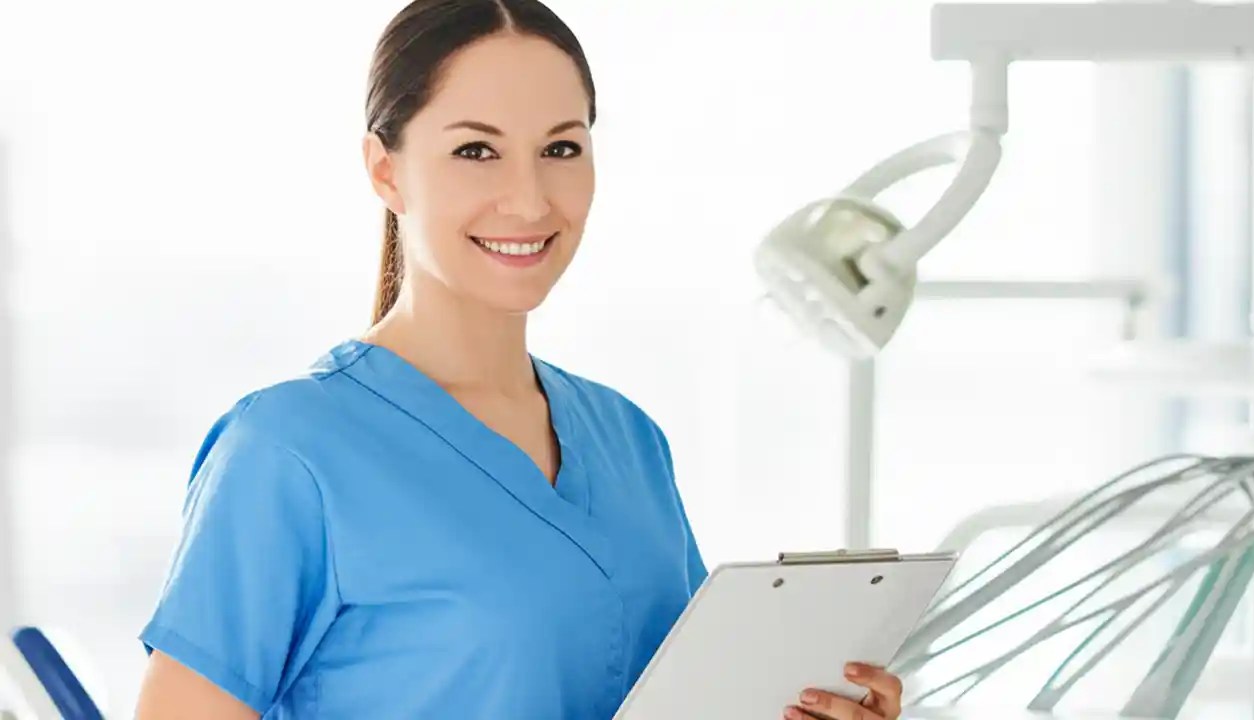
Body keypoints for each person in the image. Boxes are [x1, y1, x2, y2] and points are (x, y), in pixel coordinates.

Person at [133, 1, 905, 718]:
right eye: (477, 150)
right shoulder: (288, 450)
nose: (531, 200)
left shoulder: (628, 438)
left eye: (560, 148)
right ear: (385, 170)